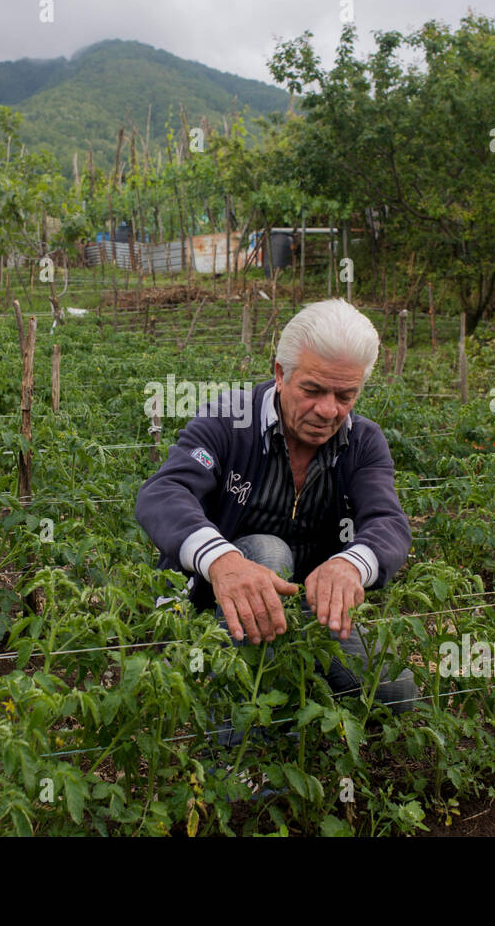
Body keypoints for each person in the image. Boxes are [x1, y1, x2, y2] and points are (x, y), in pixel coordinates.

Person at [135, 299, 417, 720]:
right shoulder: (229, 421)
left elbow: (387, 521)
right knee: (268, 553)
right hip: (210, 598)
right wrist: (223, 561)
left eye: (346, 395)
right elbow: (165, 491)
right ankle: (232, 749)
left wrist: (350, 566)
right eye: (313, 390)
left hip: (306, 604)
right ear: (281, 373)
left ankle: (285, 695)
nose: (328, 410)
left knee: (395, 691)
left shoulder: (363, 443)